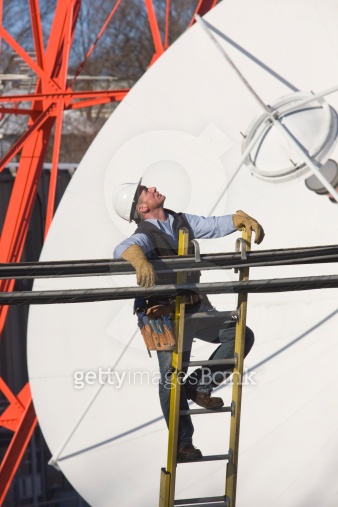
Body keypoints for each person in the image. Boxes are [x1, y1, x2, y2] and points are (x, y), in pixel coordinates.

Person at [113, 179, 264, 462]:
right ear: (142, 207)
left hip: (192, 306)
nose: (154, 188)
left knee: (241, 336)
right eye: (146, 191)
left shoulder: (178, 220)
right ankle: (183, 444)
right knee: (171, 377)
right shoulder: (146, 233)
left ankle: (198, 386)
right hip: (160, 314)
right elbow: (124, 247)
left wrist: (237, 219)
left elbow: (212, 225)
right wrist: (138, 259)